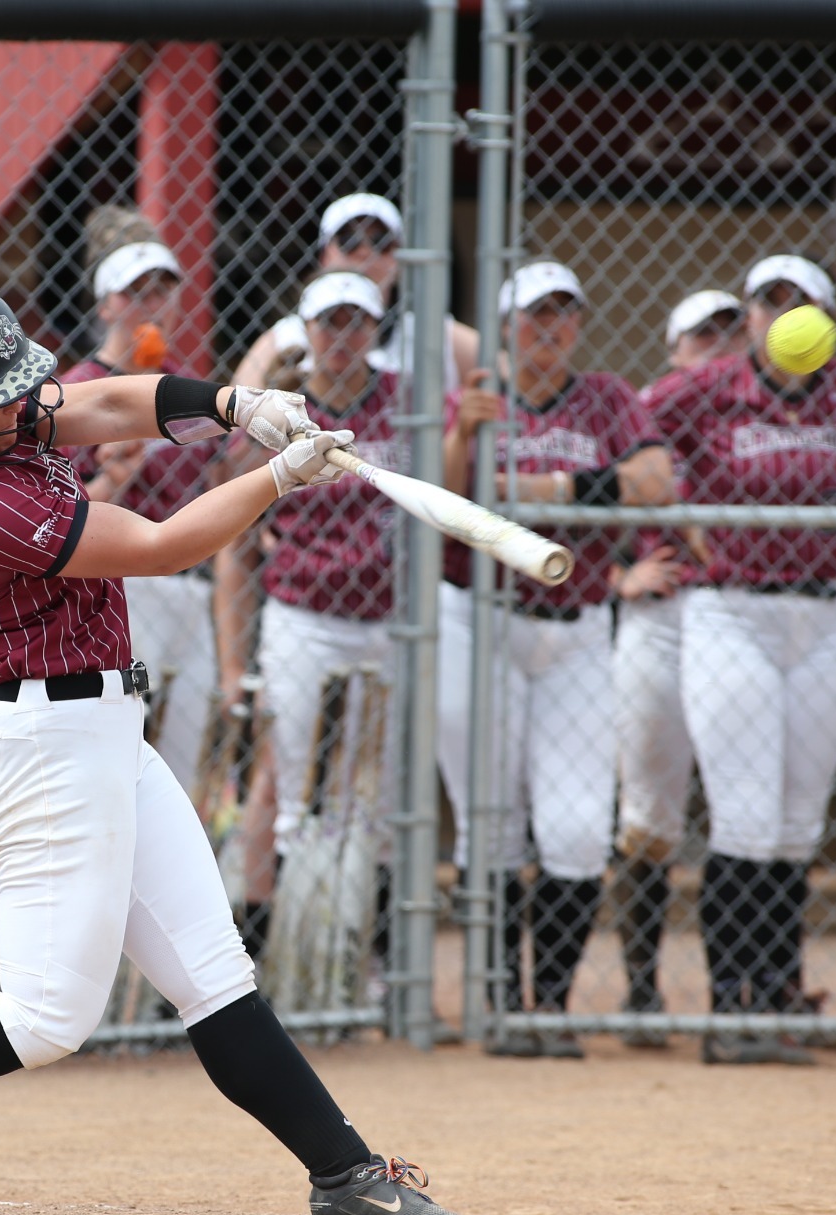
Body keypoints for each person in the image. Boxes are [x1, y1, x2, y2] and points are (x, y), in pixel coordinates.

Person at [0, 281, 472, 1215]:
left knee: (214, 972)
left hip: (103, 731)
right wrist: (279, 476)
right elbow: (167, 546)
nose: (26, 405)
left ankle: (342, 1171)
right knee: (49, 1017)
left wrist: (236, 406)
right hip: (41, 751)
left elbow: (104, 402)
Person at [645, 255, 836, 1064]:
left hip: (828, 615)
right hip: (733, 610)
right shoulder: (709, 386)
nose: (784, 313)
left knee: (796, 824)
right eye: (769, 301)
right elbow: (634, 442)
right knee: (745, 818)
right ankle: (730, 1012)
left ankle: (777, 997)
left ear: (826, 313)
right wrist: (684, 521)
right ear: (749, 316)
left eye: (800, 300)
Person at [439, 262, 675, 1059]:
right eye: (535, 315)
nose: (550, 328)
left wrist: (546, 485)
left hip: (574, 624)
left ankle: (553, 1003)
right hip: (484, 620)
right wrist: (467, 436)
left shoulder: (606, 395)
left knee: (576, 828)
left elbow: (655, 480)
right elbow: (448, 500)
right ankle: (503, 1001)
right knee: (493, 823)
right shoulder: (475, 392)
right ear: (504, 324)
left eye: (564, 314)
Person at [215, 271, 411, 963]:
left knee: (380, 799)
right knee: (297, 794)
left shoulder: (405, 402)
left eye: (357, 321)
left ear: (377, 329)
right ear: (306, 328)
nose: (342, 336)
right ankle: (295, 961)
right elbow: (235, 545)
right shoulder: (279, 415)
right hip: (302, 617)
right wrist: (235, 663)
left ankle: (371, 962)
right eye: (329, 322)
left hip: (392, 623)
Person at [611, 289, 748, 1046]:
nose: (718, 347)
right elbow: (578, 509)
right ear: (673, 349)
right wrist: (614, 579)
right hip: (661, 621)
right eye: (702, 336)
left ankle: (745, 992)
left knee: (744, 810)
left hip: (734, 613)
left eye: (730, 333)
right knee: (651, 818)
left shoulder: (755, 417)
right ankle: (639, 988)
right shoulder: (641, 413)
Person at [63, 213, 221, 785]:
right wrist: (116, 478)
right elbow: (49, 513)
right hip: (121, 581)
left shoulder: (179, 383)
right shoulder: (77, 386)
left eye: (163, 289)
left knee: (184, 759)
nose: (154, 304)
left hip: (188, 582)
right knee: (130, 751)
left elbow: (212, 476)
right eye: (137, 292)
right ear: (107, 304)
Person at [232, 193, 478, 395]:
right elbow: (233, 428)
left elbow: (506, 374)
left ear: (398, 258)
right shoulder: (285, 337)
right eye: (348, 240)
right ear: (324, 255)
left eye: (380, 241)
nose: (365, 251)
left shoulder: (434, 333)